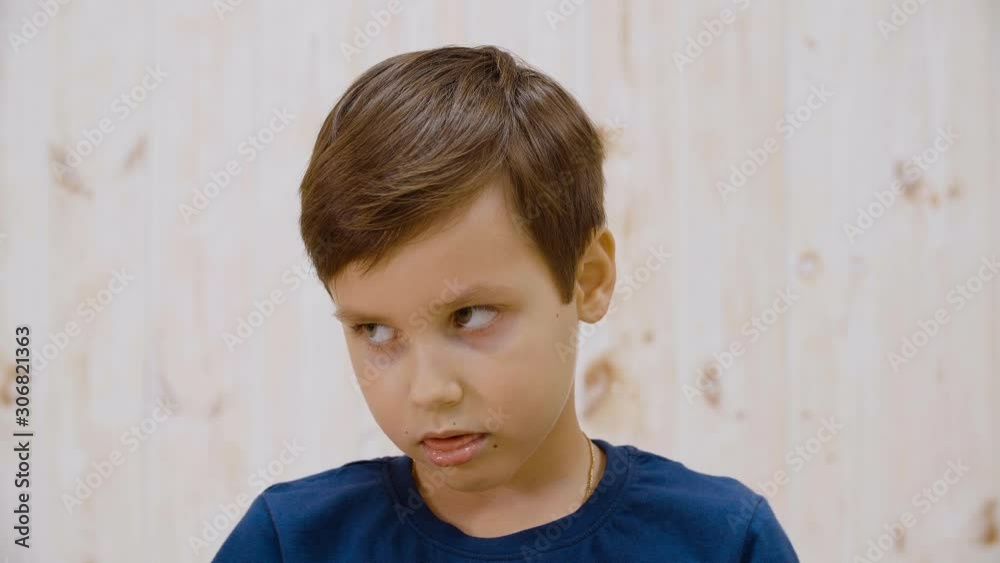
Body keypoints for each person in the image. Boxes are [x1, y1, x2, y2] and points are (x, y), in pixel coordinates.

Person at [213, 45, 799, 562]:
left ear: (589, 279)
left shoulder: (721, 541)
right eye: (375, 330)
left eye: (469, 317)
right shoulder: (289, 544)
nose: (429, 390)